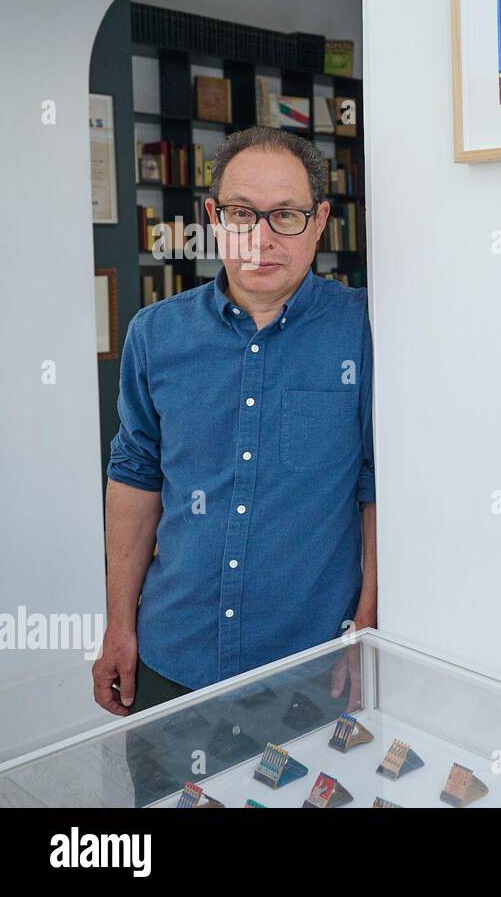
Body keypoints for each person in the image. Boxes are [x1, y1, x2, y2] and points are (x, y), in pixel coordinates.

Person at [91, 126, 377, 736]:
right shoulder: (154, 334)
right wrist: (119, 624)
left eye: (287, 216)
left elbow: (378, 486)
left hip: (313, 666)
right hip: (171, 656)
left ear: (321, 222)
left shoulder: (364, 331)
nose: (262, 239)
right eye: (243, 213)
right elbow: (135, 478)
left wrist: (368, 629)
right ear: (213, 218)